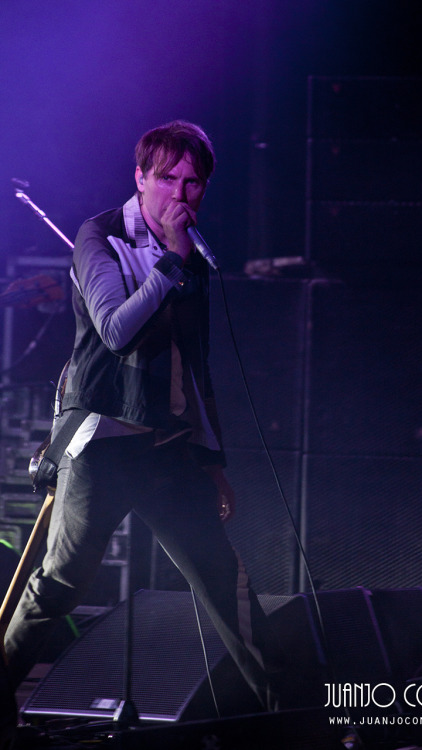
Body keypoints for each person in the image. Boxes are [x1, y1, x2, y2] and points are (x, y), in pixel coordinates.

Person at [3, 120, 287, 716]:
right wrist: (171, 265)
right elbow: (115, 329)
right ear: (140, 177)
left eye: (194, 183)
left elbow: (195, 367)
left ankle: (290, 712)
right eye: (167, 180)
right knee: (58, 585)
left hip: (169, 449)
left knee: (222, 578)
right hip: (102, 443)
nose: (181, 197)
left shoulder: (193, 258)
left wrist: (212, 462)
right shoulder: (99, 236)